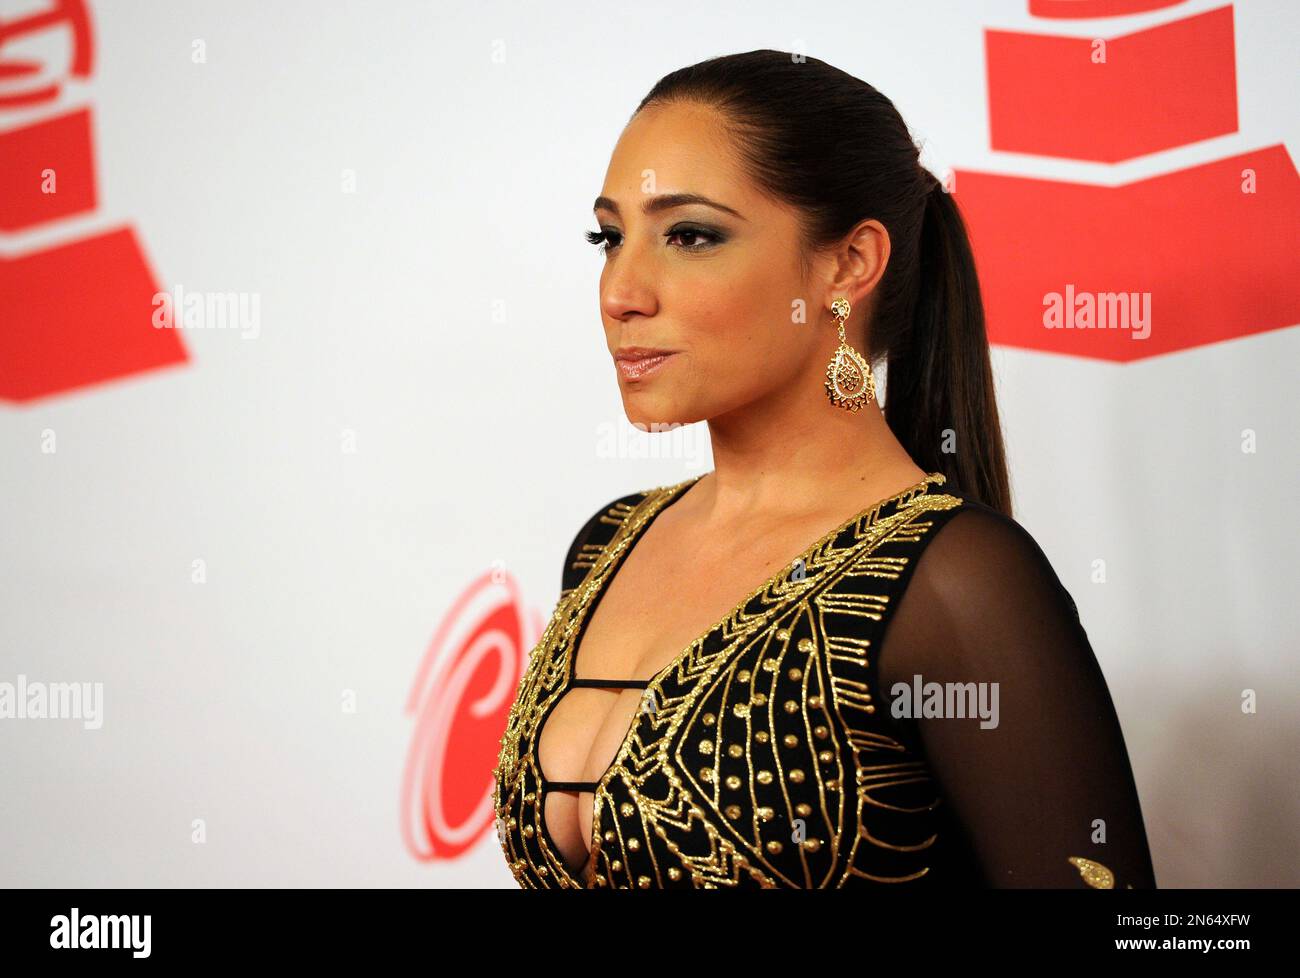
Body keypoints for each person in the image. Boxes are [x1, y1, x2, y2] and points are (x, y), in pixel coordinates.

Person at [492, 49, 1156, 889]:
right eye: (609, 236)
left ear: (848, 265)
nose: (622, 289)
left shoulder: (953, 579)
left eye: (690, 235)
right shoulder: (609, 544)